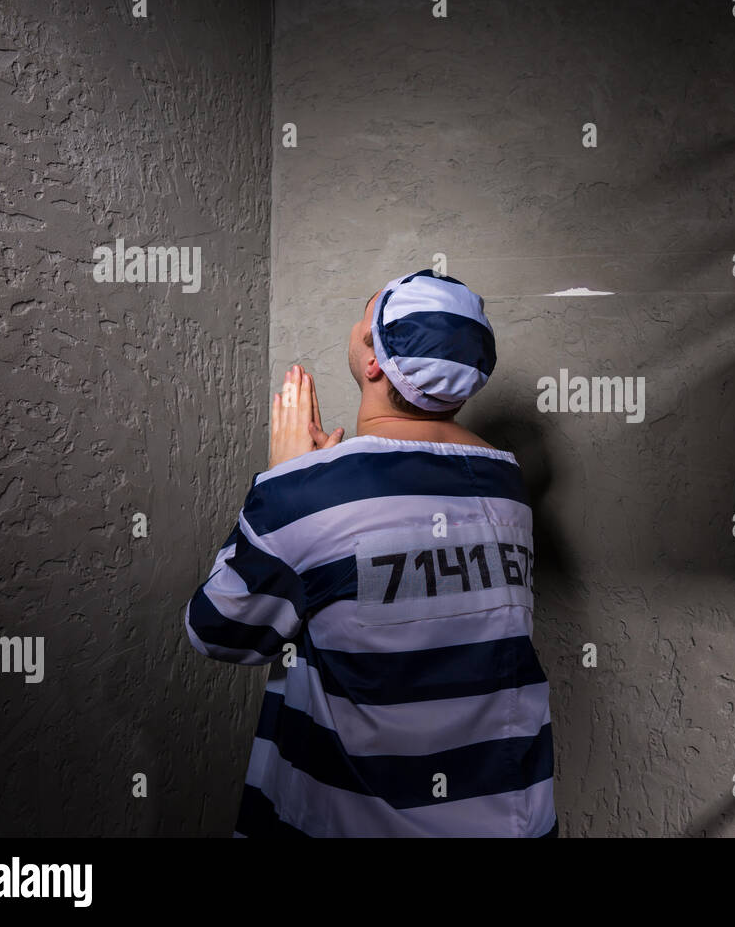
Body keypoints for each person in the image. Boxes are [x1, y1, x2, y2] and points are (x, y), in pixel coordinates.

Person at [184, 268, 557, 837]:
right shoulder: (507, 487)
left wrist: (285, 483)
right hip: (510, 818)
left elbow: (217, 630)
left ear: (374, 361)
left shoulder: (312, 493)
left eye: (364, 317)